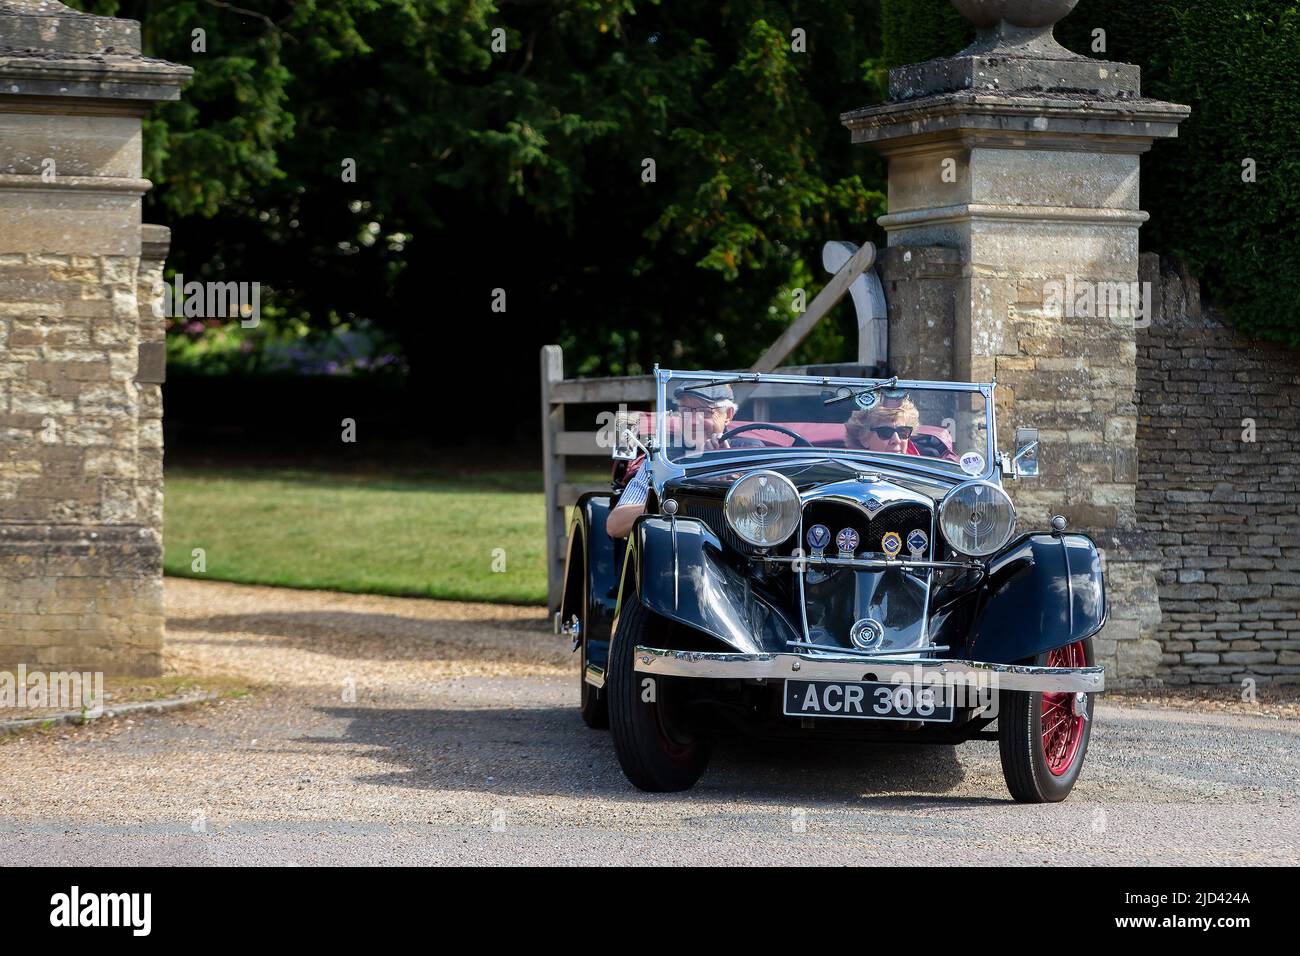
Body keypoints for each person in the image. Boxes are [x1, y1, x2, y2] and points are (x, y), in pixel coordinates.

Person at [606, 383, 738, 539]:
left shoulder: (753, 454)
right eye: (686, 411)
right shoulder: (662, 459)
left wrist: (734, 479)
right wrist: (672, 500)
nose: (693, 421)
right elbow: (614, 526)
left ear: (728, 415)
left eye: (705, 412)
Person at [844, 396, 922, 456]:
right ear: (864, 438)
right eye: (885, 432)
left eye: (902, 432)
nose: (897, 440)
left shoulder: (924, 470)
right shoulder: (849, 470)